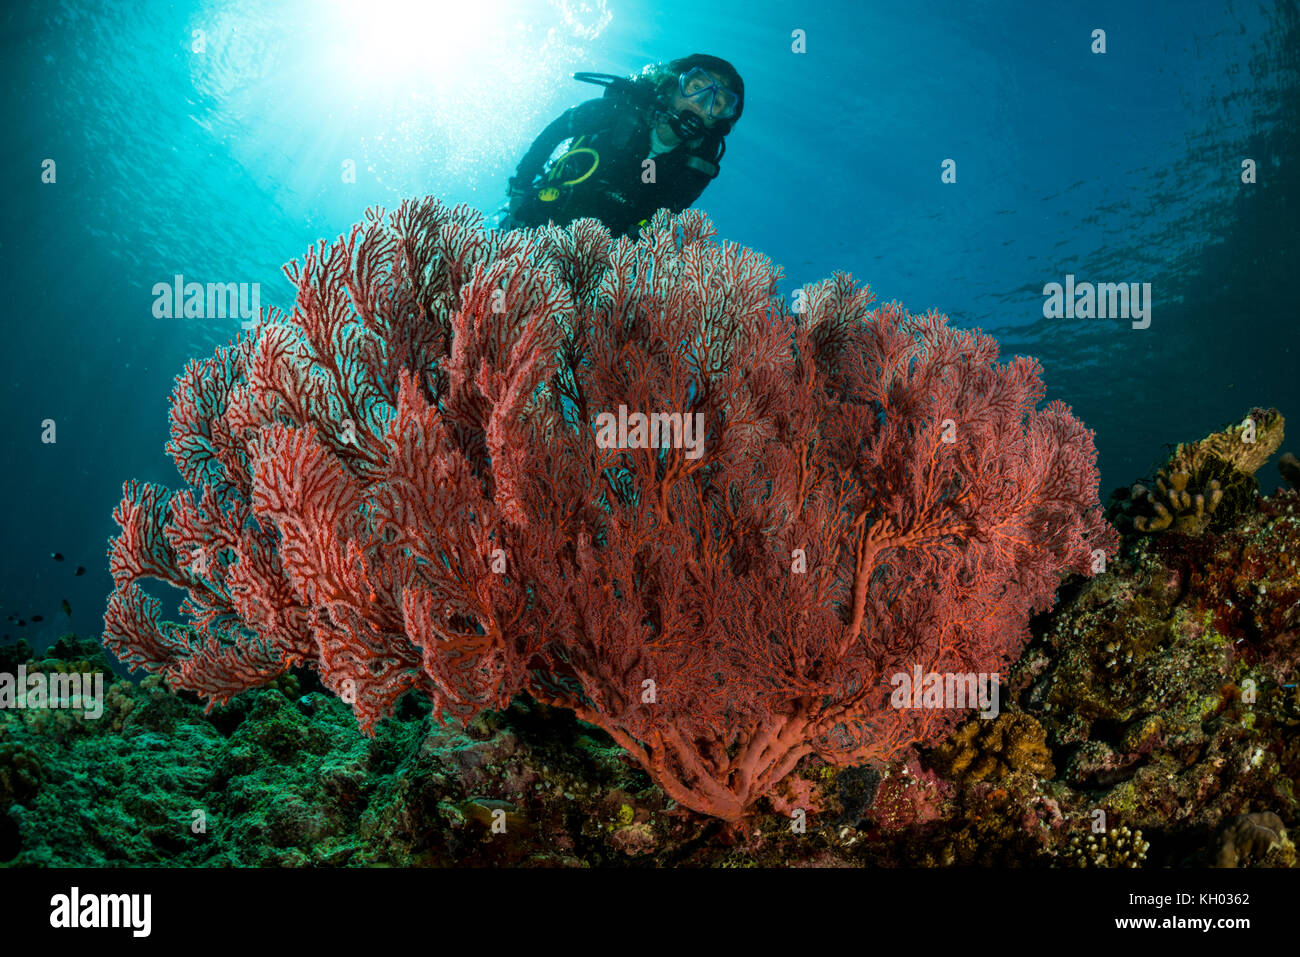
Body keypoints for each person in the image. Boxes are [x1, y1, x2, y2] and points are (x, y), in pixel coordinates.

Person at [500, 54, 744, 239]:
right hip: (544, 212)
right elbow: (556, 131)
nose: (701, 104)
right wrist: (519, 191)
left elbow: (662, 215)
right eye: (695, 88)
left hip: (606, 246)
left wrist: (634, 235)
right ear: (672, 85)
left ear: (718, 122)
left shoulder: (694, 167)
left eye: (718, 102)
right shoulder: (619, 112)